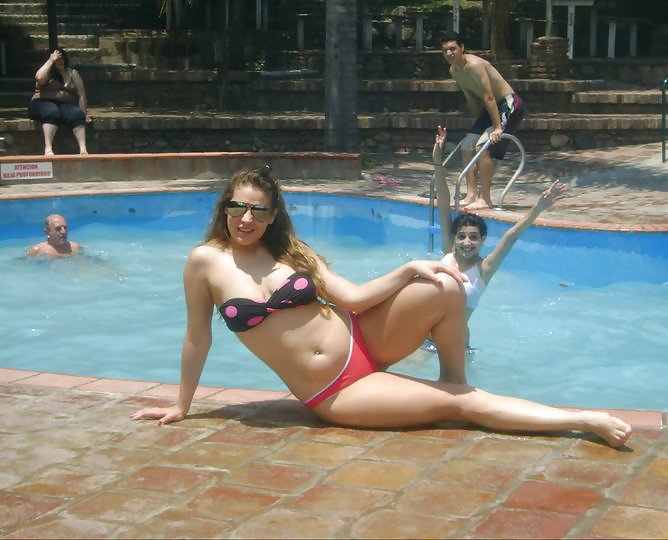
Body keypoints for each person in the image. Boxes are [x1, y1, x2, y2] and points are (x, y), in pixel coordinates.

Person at [131, 167, 632, 449]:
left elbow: (351, 298)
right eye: (237, 207)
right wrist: (183, 404)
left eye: (258, 209)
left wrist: (410, 268)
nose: (246, 218)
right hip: (337, 391)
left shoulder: (291, 252)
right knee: (458, 407)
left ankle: (453, 376)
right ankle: (582, 419)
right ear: (224, 207)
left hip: (363, 335)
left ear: (273, 214)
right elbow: (198, 336)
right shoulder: (204, 262)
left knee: (445, 284)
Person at [432, 126, 566, 324]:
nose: (466, 242)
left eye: (473, 237)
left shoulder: (483, 269)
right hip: (422, 332)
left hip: (454, 339)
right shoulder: (448, 253)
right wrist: (437, 161)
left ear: (483, 240)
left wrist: (538, 208)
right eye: (461, 236)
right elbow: (443, 204)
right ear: (454, 238)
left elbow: (511, 237)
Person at [440, 31, 524, 210]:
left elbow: (489, 96)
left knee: (482, 148)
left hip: (508, 104)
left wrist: (497, 127)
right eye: (445, 50)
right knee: (467, 146)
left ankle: (485, 198)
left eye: (453, 49)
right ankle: (471, 195)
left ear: (462, 48)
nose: (449, 53)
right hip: (489, 109)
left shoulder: (475, 65)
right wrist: (478, 125)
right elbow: (471, 98)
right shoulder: (454, 71)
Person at [28, 48, 91, 156]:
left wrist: (84, 113)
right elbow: (39, 78)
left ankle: (83, 149)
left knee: (77, 114)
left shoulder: (73, 73)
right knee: (52, 111)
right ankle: (48, 148)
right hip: (41, 103)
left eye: (61, 59)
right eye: (57, 59)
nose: (60, 61)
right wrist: (51, 61)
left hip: (64, 105)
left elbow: (81, 95)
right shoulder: (47, 72)